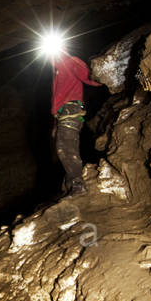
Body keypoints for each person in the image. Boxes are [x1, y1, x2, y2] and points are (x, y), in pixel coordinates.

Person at [51, 50, 103, 195]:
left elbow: (88, 76)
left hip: (71, 109)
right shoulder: (57, 72)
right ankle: (70, 185)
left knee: (65, 146)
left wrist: (104, 76)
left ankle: (77, 184)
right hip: (63, 114)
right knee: (64, 146)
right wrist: (55, 125)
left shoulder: (70, 61)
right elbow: (56, 103)